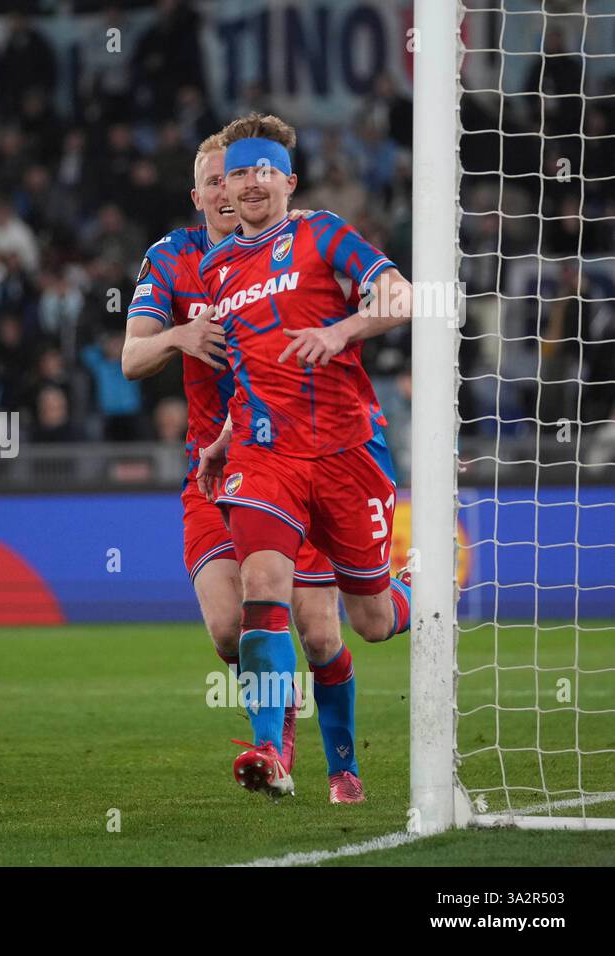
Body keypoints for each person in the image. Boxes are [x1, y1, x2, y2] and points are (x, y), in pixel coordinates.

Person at [194, 114, 414, 802]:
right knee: (262, 584)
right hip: (267, 456)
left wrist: (343, 328)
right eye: (240, 172)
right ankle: (270, 747)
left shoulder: (323, 234)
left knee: (367, 623)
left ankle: (423, 586)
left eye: (266, 170)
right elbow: (252, 370)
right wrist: (225, 441)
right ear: (224, 188)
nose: (253, 183)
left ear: (288, 181)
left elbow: (403, 295)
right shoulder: (217, 268)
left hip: (348, 452)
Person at [122, 135, 344, 800]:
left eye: (237, 176)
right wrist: (178, 336)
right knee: (227, 630)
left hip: (289, 459)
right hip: (211, 472)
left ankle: (276, 746)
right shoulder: (173, 258)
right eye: (214, 181)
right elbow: (132, 358)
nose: (226, 190)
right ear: (198, 197)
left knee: (321, 628)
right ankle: (277, 721)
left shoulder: (299, 246)